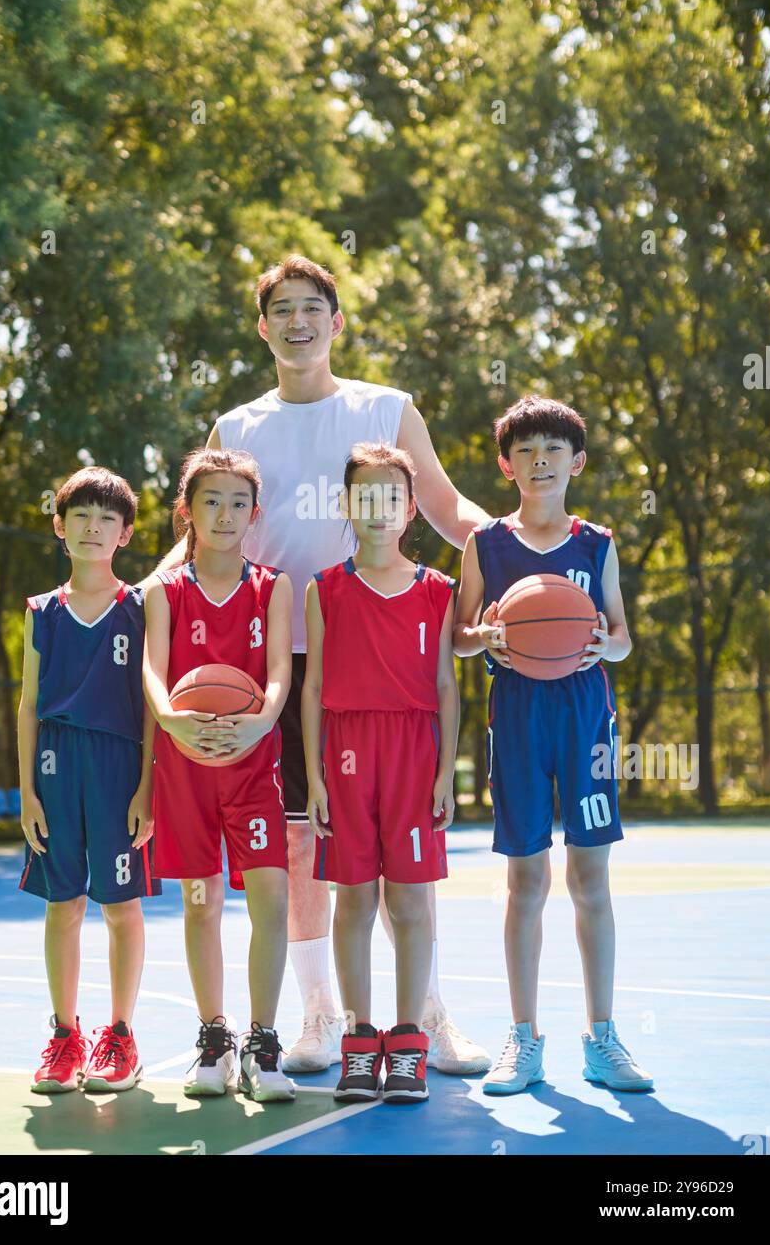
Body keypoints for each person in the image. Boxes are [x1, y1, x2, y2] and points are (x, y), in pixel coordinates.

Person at [150, 254, 491, 1076]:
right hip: (267, 665)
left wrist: (524, 546)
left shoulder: (386, 408)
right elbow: (200, 532)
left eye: (313, 308)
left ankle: (428, 1009)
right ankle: (317, 1012)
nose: (297, 322)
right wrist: (132, 594)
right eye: (282, 310)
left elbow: (449, 511)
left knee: (404, 846)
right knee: (301, 842)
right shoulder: (235, 426)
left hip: (374, 654)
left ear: (337, 323)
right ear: (262, 326)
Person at [453, 394, 654, 1094]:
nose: (540, 462)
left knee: (589, 880)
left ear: (576, 462)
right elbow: (458, 634)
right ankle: (523, 1036)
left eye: (553, 451)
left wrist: (606, 644)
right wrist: (487, 640)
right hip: (515, 710)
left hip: (583, 712)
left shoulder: (596, 542)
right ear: (506, 465)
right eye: (526, 452)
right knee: (525, 879)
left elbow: (621, 635)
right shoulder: (484, 544)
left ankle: (601, 1038)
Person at [304, 443, 459, 1103]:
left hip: (412, 750)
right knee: (355, 898)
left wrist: (446, 773)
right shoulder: (325, 588)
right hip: (345, 750)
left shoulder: (436, 590)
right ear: (347, 506)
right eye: (363, 496)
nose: (377, 507)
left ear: (410, 509)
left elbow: (447, 687)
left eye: (390, 496)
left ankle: (407, 1042)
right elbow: (311, 689)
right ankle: (358, 1040)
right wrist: (312, 778)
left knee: (409, 900)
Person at [143, 446, 296, 1102]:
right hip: (184, 766)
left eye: (238, 502)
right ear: (187, 511)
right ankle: (214, 1034)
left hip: (253, 765)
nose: (225, 513)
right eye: (212, 500)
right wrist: (169, 718)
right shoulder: (163, 590)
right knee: (199, 903)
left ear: (254, 514)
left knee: (271, 899)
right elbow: (150, 668)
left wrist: (264, 718)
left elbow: (279, 673)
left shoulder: (274, 586)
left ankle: (264, 1040)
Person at [19, 467, 161, 1095]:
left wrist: (147, 787)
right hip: (54, 766)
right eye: (81, 515)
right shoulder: (41, 613)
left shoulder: (140, 607)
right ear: (60, 524)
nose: (93, 527)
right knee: (63, 905)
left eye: (107, 518)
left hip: (118, 766)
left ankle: (121, 1037)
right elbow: (28, 705)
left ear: (125, 533)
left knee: (122, 907)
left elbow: (154, 702)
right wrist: (25, 790)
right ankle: (63, 1035)